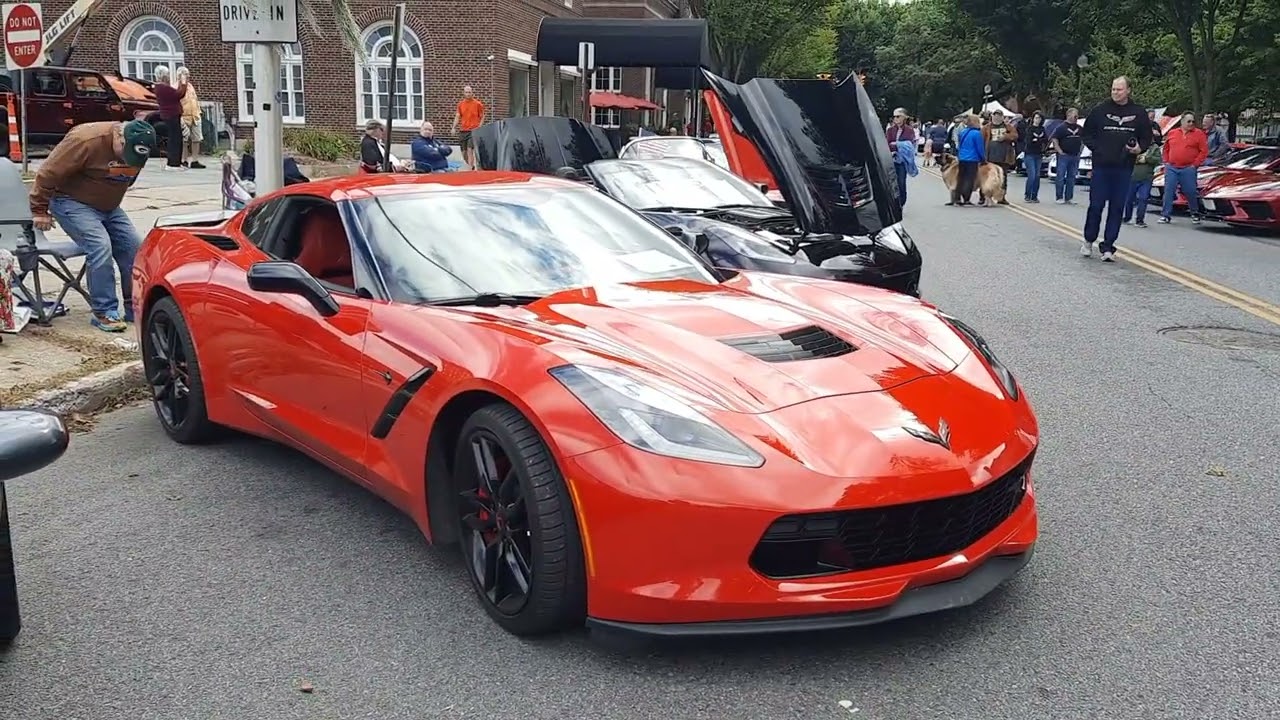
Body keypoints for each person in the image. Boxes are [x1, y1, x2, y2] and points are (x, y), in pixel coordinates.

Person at [28, 120, 158, 332]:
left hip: (108, 206)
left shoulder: (137, 150)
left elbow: (126, 177)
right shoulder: (85, 140)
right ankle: (104, 311)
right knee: (99, 245)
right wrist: (39, 209)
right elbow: (48, 173)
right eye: (125, 154)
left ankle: (135, 307)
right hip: (69, 200)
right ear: (119, 137)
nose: (128, 160)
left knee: (134, 249)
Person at [1080, 76, 1153, 261]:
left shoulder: (1138, 113)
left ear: (1128, 90)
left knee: (1117, 207)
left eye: (1119, 89)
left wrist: (1139, 148)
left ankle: (1108, 247)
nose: (1115, 92)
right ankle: (1089, 240)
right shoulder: (1100, 110)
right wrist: (1098, 149)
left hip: (1123, 167)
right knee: (1096, 205)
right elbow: (1086, 134)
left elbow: (1146, 137)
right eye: (1113, 89)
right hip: (1102, 167)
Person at [1159, 112, 1207, 225]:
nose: (1191, 124)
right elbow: (1166, 148)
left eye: (1193, 121)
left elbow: (1204, 151)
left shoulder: (1199, 134)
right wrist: (1166, 161)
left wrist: (1194, 165)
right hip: (1172, 167)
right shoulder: (1172, 133)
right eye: (1188, 121)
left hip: (1188, 168)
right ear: (1182, 121)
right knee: (1169, 191)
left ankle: (1194, 212)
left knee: (1190, 191)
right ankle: (1165, 215)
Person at [1123, 120, 1163, 228]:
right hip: (1133, 176)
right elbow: (1125, 154)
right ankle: (1127, 217)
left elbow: (1158, 159)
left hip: (1146, 177)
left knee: (1143, 198)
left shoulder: (1154, 148)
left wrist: (1147, 158)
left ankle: (1140, 219)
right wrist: (1135, 158)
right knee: (1129, 198)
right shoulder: (1134, 144)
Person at [151, 66, 187, 172]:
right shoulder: (162, 87)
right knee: (174, 139)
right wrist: (183, 82)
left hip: (171, 115)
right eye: (167, 75)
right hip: (171, 115)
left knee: (177, 138)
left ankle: (176, 162)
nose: (168, 77)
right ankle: (172, 164)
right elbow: (179, 94)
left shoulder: (162, 87)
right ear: (163, 76)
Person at [948, 113, 985, 206]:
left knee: (961, 178)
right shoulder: (977, 134)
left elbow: (960, 145)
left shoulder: (963, 132)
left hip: (962, 158)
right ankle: (966, 198)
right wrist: (983, 159)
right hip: (972, 159)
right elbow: (979, 148)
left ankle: (957, 197)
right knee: (969, 179)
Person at [981, 110, 1017, 204]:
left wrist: (1006, 137)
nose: (997, 118)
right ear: (992, 117)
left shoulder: (1008, 127)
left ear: (1002, 117)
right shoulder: (986, 127)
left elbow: (1015, 135)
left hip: (1004, 157)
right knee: (986, 178)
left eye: (999, 116)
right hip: (989, 157)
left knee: (1002, 178)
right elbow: (981, 139)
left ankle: (1001, 197)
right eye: (995, 116)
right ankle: (983, 197)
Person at [1050, 107, 1084, 203]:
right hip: (1064, 155)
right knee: (1060, 176)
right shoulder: (1061, 127)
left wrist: (1080, 150)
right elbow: (1055, 139)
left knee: (1072, 177)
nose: (1076, 117)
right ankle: (1059, 197)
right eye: (1074, 115)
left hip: (1075, 155)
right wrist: (1059, 151)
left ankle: (1069, 198)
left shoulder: (1079, 128)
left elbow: (1083, 139)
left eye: (1077, 115)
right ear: (1068, 115)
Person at [885, 107, 916, 206]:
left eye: (898, 116)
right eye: (894, 117)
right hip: (892, 160)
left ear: (904, 117)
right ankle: (894, 203)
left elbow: (908, 145)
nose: (895, 119)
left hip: (902, 161)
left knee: (901, 183)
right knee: (892, 183)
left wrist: (896, 144)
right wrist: (899, 145)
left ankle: (901, 203)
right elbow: (887, 145)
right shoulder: (890, 130)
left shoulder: (909, 130)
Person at [175, 67, 205, 169]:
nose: (188, 76)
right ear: (180, 76)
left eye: (188, 74)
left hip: (195, 115)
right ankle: (184, 160)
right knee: (184, 140)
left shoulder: (191, 86)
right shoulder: (176, 86)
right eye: (186, 74)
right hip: (184, 116)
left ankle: (195, 160)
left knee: (196, 139)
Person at [451, 85, 485, 169]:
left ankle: (470, 169)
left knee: (470, 150)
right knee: (464, 152)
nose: (468, 94)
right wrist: (453, 127)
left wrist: (480, 127)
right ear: (464, 93)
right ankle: (471, 166)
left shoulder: (478, 104)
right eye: (466, 92)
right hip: (463, 130)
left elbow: (482, 116)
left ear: (472, 93)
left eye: (469, 92)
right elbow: (458, 116)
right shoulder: (461, 104)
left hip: (473, 131)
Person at [1022, 111, 1048, 202]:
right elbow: (1028, 141)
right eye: (1036, 118)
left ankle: (1034, 196)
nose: (1037, 120)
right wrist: (1037, 140)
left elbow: (1045, 140)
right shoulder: (1029, 129)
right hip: (1029, 154)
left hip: (1039, 154)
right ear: (1033, 118)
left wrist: (1037, 140)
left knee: (1037, 176)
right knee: (1032, 175)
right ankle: (1027, 195)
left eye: (1039, 118)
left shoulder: (1042, 129)